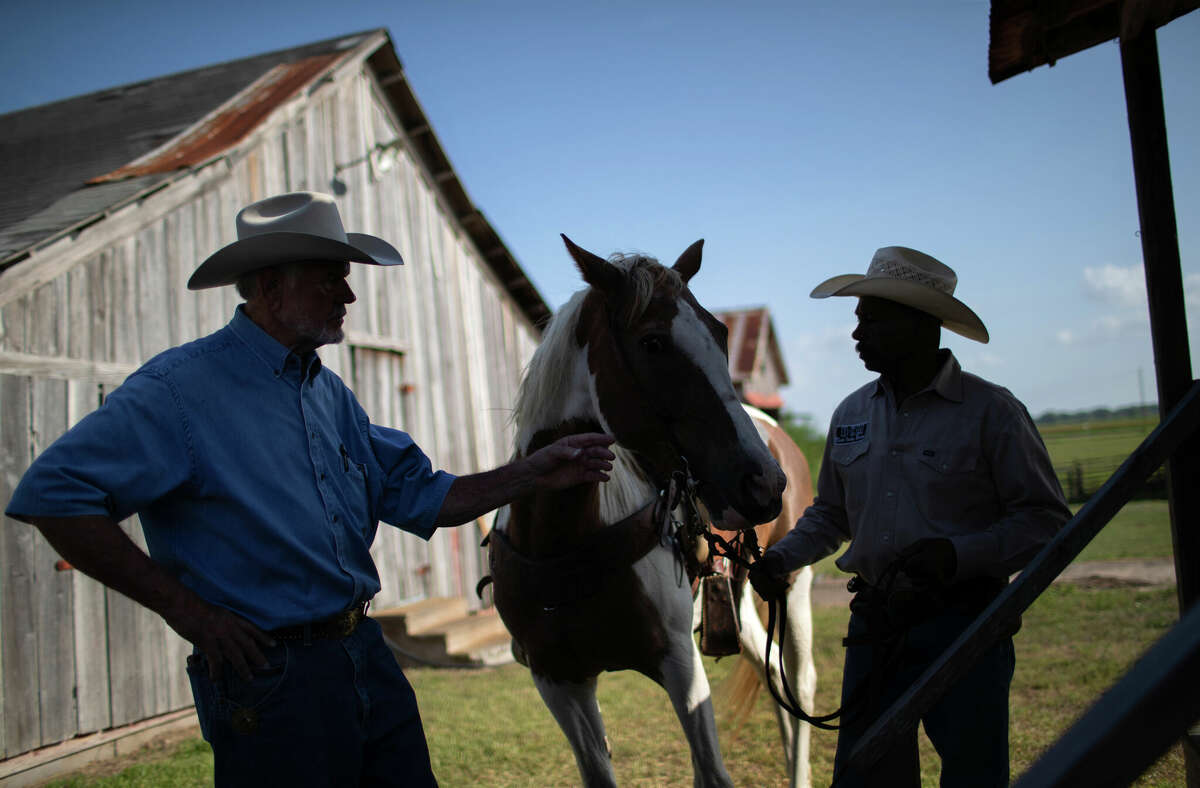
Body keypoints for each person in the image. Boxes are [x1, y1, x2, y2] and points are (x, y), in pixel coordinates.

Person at [5, 191, 615, 787]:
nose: (348, 294)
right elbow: (54, 495)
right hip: (268, 676)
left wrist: (533, 472)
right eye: (329, 278)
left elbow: (430, 497)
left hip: (365, 656)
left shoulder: (330, 396)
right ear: (271, 286)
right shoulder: (179, 390)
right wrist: (190, 613)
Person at [749, 246, 1070, 787]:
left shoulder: (992, 413)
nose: (856, 334)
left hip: (964, 625)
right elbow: (831, 513)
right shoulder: (850, 413)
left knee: (973, 773)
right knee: (868, 773)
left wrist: (957, 555)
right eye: (858, 320)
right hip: (876, 624)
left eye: (871, 320)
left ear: (920, 326)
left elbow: (1046, 522)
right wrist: (781, 556)